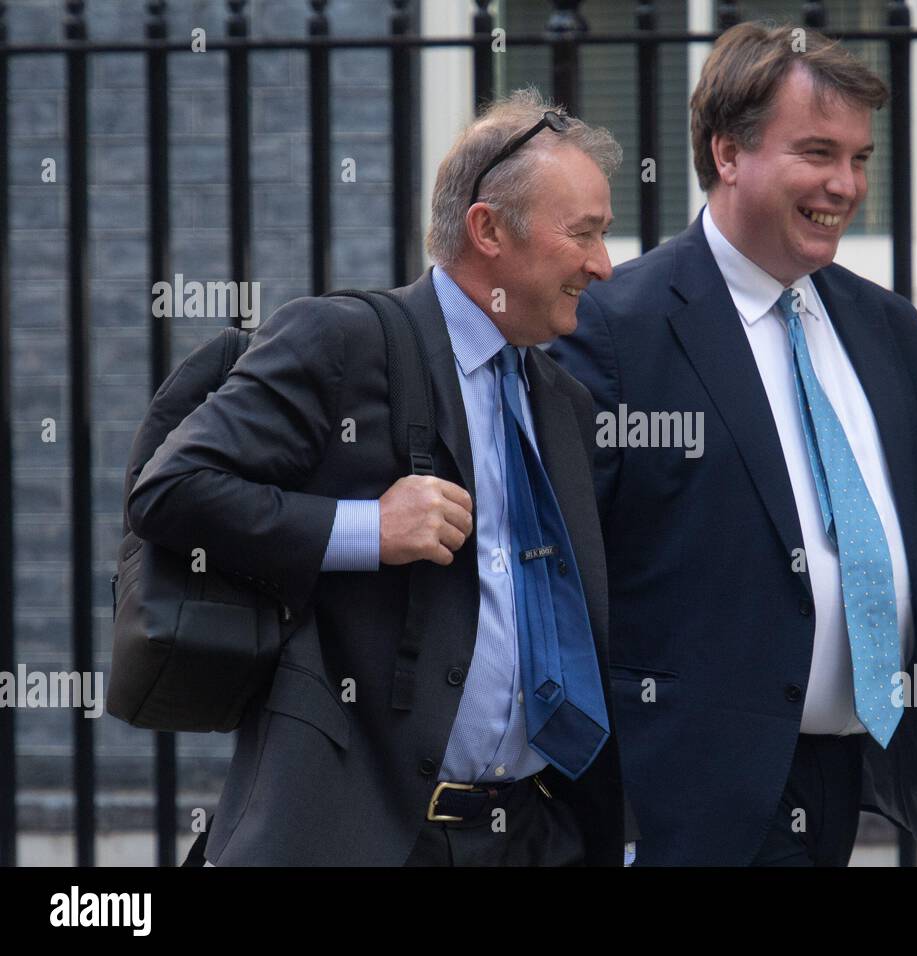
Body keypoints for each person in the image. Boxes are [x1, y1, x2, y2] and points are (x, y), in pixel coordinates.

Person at [548, 22, 917, 866]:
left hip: (835, 775)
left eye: (860, 158)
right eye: (818, 152)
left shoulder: (884, 325)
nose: (845, 185)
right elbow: (556, 563)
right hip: (681, 800)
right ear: (728, 154)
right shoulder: (615, 329)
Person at [128, 89, 636, 866]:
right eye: (586, 235)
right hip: (362, 839)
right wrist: (369, 529)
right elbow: (173, 489)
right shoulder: (343, 341)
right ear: (488, 230)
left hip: (528, 837)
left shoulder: (562, 401)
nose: (604, 264)